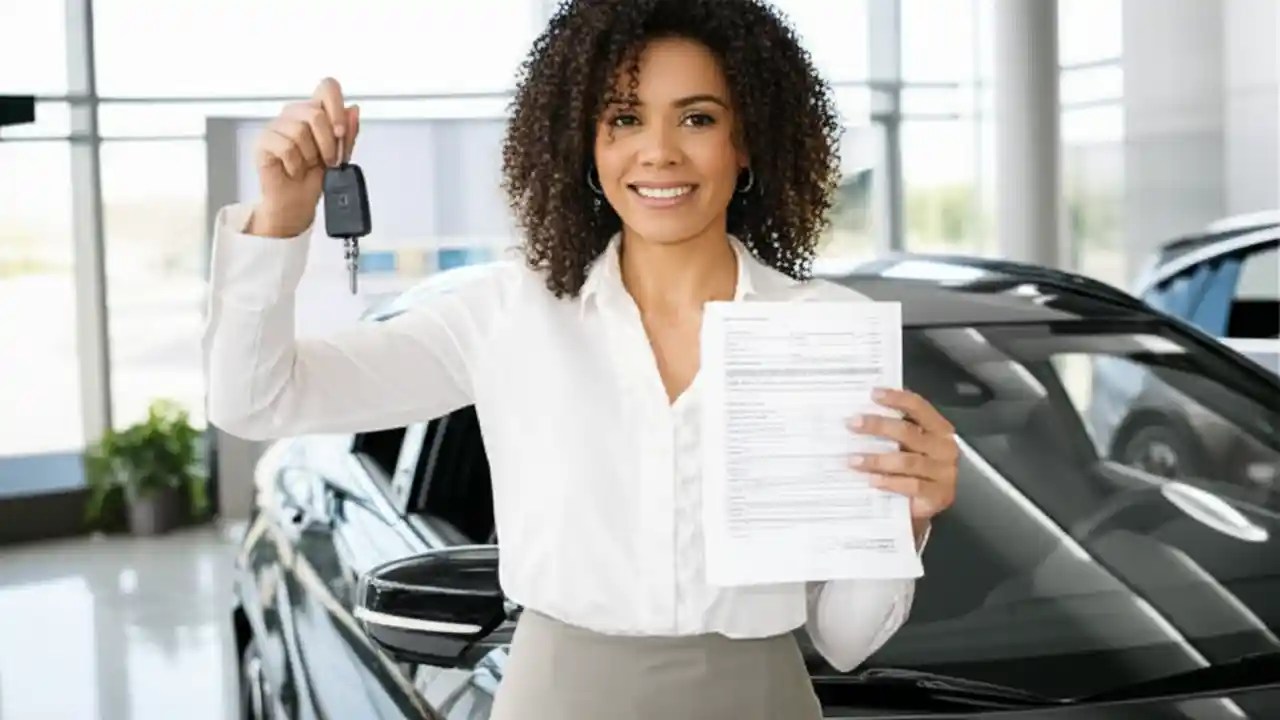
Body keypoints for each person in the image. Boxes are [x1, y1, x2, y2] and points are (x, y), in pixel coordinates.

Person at [203, 0, 960, 717]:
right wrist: (280, 222)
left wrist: (907, 519)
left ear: (747, 139)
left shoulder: (828, 332)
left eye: (697, 117)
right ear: (587, 144)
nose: (658, 151)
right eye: (624, 118)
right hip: (561, 699)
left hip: (762, 698)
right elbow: (256, 401)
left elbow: (846, 639)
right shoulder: (507, 316)